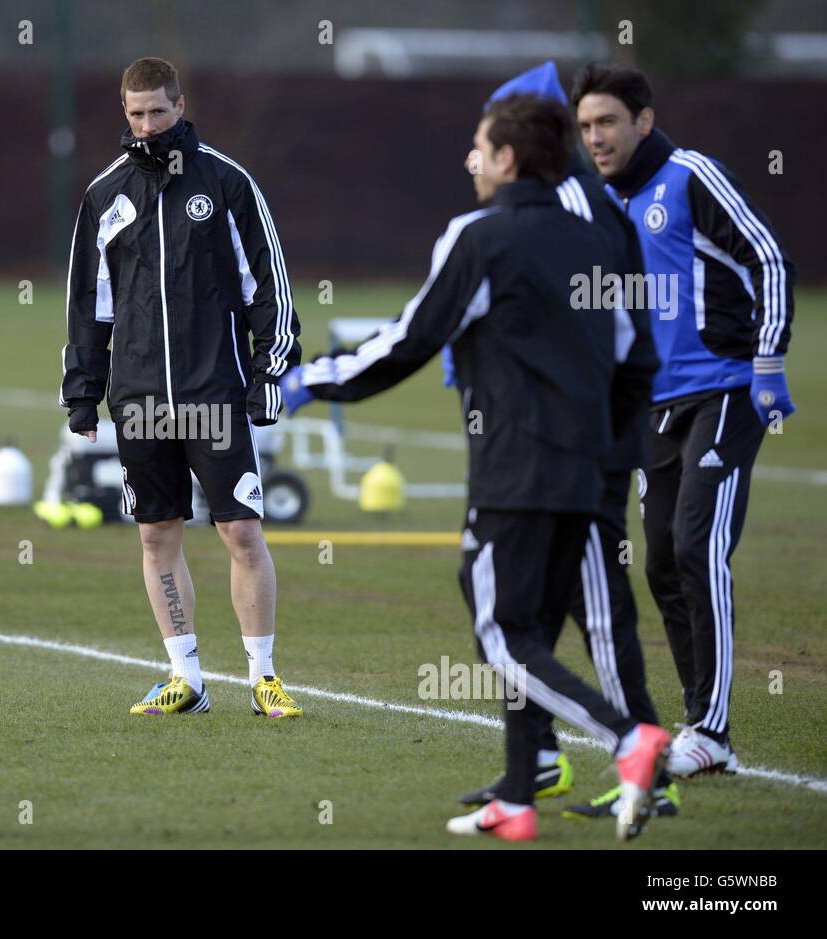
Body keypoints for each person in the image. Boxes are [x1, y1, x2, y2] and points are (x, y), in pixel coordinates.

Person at [282, 94, 670, 841]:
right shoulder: (598, 240)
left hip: (515, 472)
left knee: (502, 634)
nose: (473, 160)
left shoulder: (482, 237)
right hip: (586, 473)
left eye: (480, 147)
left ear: (507, 159)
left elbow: (407, 341)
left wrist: (309, 380)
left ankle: (629, 737)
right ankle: (519, 798)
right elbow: (637, 362)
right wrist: (598, 443)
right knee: (530, 634)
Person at [447, 63, 678, 823]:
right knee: (527, 612)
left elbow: (627, 326)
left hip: (581, 449)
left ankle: (645, 760)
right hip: (555, 440)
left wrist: (607, 443)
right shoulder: (554, 203)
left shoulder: (579, 209)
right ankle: (535, 761)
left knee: (597, 608)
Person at [60, 57, 303, 718]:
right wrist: (84, 390)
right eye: (136, 114)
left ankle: (264, 677)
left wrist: (267, 373)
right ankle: (185, 677)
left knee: (241, 532)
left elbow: (269, 288)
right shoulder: (104, 195)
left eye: (158, 112)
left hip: (214, 394)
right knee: (155, 536)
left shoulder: (227, 183)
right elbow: (90, 305)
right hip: (138, 400)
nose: (147, 125)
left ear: (180, 104)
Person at [572, 62, 796, 778]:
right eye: (584, 126)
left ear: (643, 119)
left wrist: (768, 359)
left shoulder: (692, 175)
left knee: (696, 544)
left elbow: (769, 257)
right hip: (652, 411)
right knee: (662, 560)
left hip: (727, 391)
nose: (596, 137)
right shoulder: (603, 205)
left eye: (608, 121)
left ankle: (711, 726)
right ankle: (704, 727)